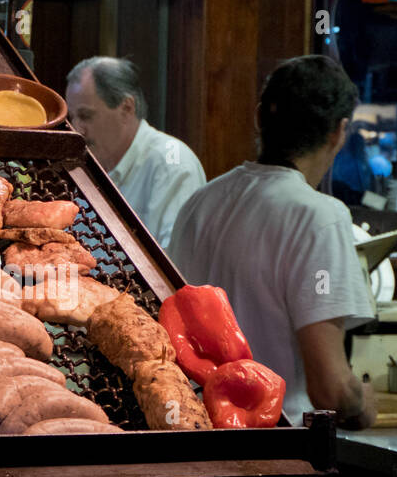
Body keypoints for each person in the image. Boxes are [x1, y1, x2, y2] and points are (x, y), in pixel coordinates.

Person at [167, 55, 377, 429]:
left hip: (194, 429)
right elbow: (330, 391)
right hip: (273, 446)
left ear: (259, 116)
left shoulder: (200, 202)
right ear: (339, 132)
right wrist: (361, 401)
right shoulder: (319, 216)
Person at [65, 57, 205, 249]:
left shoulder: (172, 161)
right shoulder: (86, 163)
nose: (76, 129)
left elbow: (173, 265)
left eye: (86, 116)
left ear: (126, 108)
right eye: (72, 117)